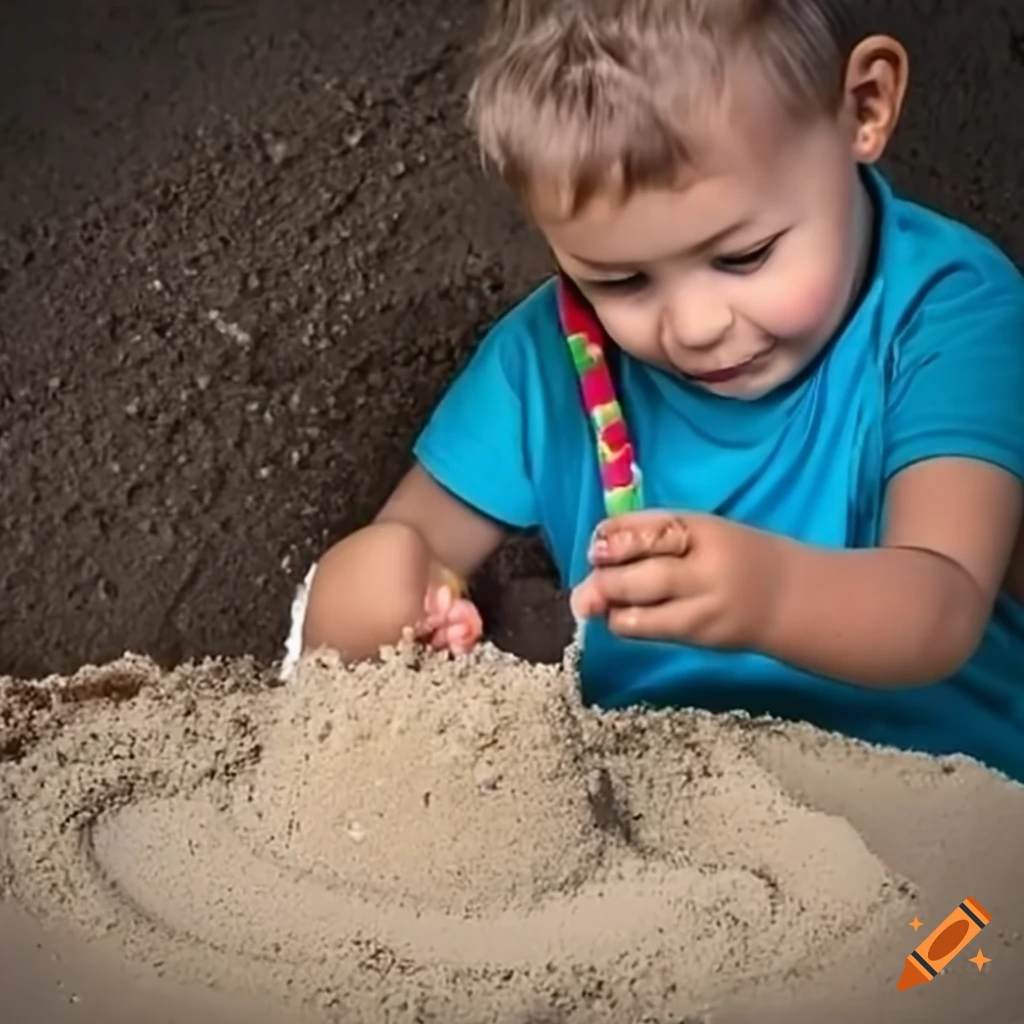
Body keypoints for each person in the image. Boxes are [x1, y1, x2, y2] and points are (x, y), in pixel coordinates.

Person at [286, 0, 1024, 783]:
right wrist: (393, 603)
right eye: (622, 280)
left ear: (863, 108)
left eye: (744, 256)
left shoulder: (949, 312)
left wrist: (769, 594)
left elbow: (941, 605)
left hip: (944, 792)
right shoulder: (544, 359)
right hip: (654, 808)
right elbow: (389, 569)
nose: (695, 327)